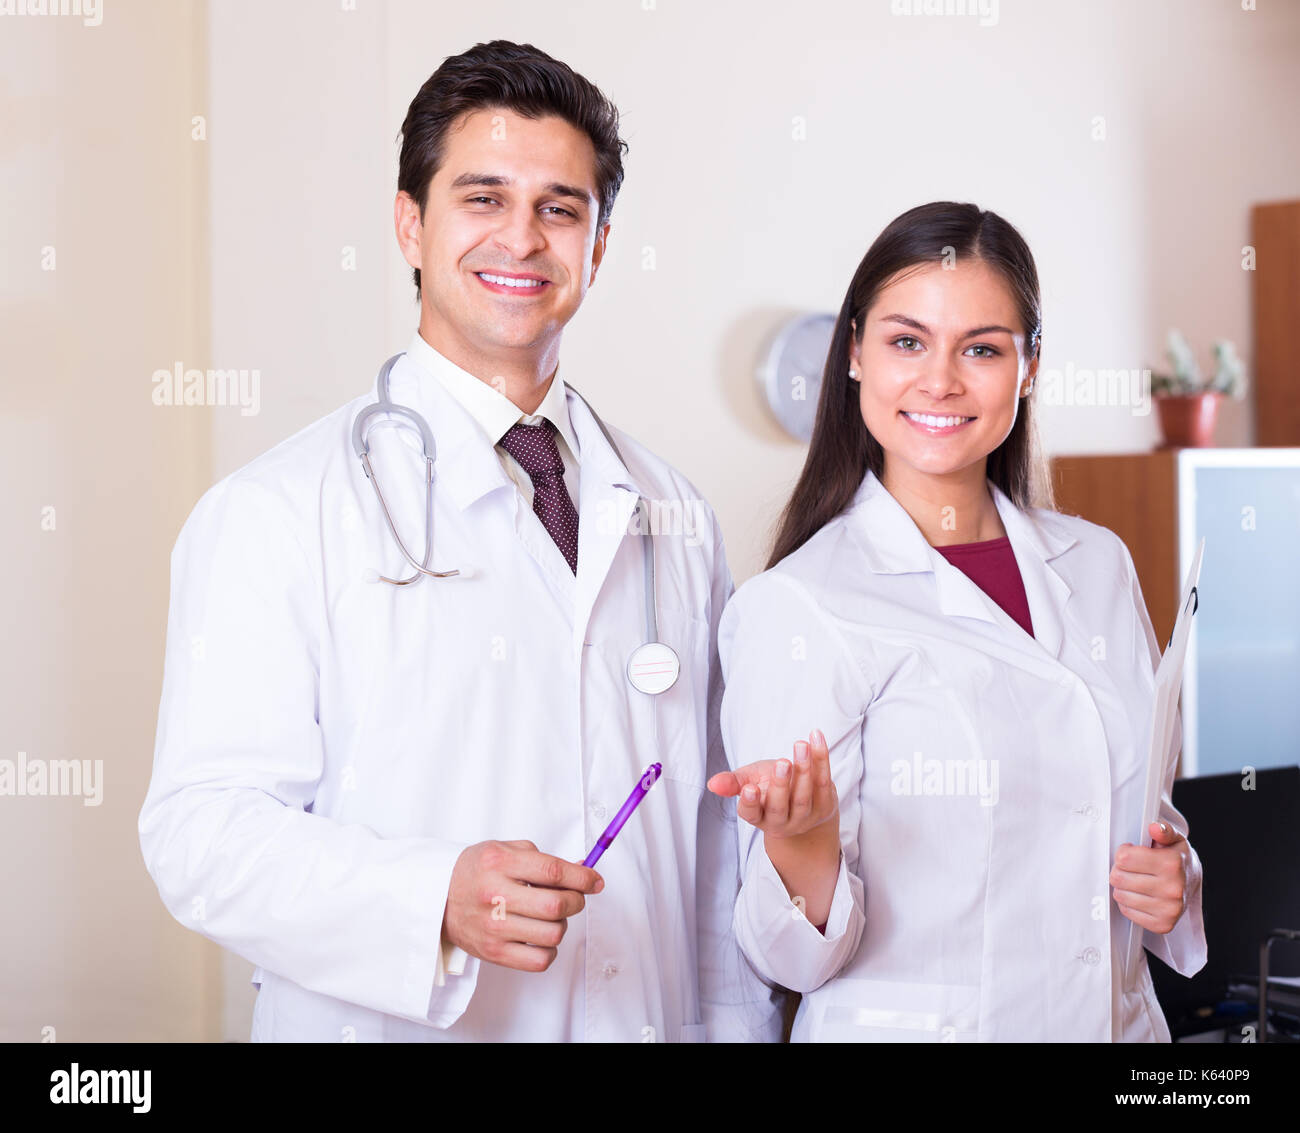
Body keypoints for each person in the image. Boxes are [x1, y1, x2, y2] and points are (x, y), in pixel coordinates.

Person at [139, 39, 778, 1043]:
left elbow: (708, 850)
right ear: (410, 225)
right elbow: (201, 836)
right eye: (482, 198)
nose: (522, 239)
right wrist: (432, 892)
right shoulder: (275, 509)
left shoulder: (670, 514)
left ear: (598, 246)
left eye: (559, 208)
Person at [709, 201, 1206, 1042]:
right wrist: (805, 845)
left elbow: (1139, 801)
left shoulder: (1097, 564)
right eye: (908, 341)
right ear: (856, 353)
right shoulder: (797, 606)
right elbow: (785, 961)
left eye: (981, 348)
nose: (940, 380)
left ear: (1030, 365)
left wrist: (1175, 876)